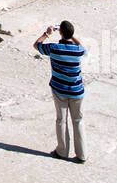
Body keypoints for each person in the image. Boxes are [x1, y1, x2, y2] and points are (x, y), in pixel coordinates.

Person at [34, 21, 87, 163]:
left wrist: (47, 33)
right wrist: (72, 36)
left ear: (61, 33)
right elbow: (82, 46)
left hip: (60, 90)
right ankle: (82, 154)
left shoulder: (55, 48)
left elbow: (36, 45)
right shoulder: (78, 51)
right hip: (77, 91)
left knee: (61, 120)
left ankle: (63, 151)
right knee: (78, 121)